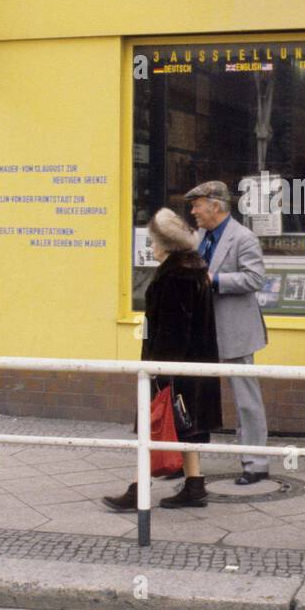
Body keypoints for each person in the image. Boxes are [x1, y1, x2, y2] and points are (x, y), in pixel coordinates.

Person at [104, 209, 223, 511]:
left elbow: (173, 329)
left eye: (153, 241)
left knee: (155, 424)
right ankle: (195, 486)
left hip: (173, 367)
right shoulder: (192, 269)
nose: (150, 247)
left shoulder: (175, 275)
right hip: (195, 366)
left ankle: (137, 489)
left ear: (166, 245)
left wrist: (158, 372)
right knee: (186, 426)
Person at [185, 180, 271, 485]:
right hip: (202, 331)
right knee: (192, 396)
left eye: (197, 205)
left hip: (235, 331)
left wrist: (215, 280)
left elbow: (255, 278)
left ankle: (255, 463)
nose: (193, 211)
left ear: (215, 206)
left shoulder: (243, 237)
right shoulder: (200, 237)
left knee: (246, 401)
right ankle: (186, 463)